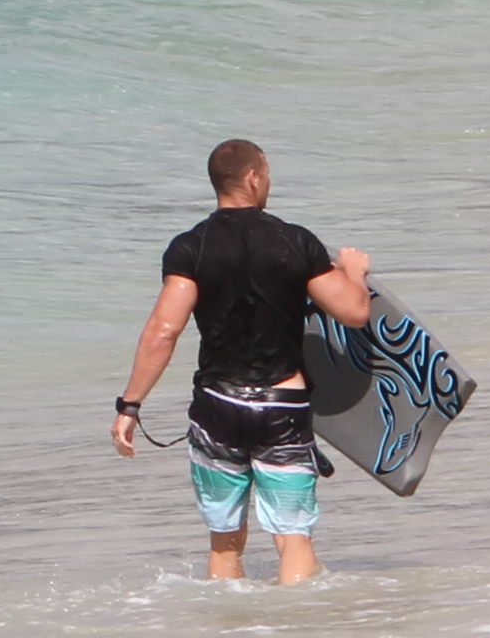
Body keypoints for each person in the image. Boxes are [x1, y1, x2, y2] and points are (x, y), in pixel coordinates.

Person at [113, 136, 375, 584]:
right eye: (267, 173)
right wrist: (355, 272)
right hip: (282, 405)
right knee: (293, 538)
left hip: (219, 406)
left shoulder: (189, 248)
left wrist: (130, 406)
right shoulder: (295, 242)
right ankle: (296, 635)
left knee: (225, 542)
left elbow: (163, 331)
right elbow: (354, 312)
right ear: (253, 177)